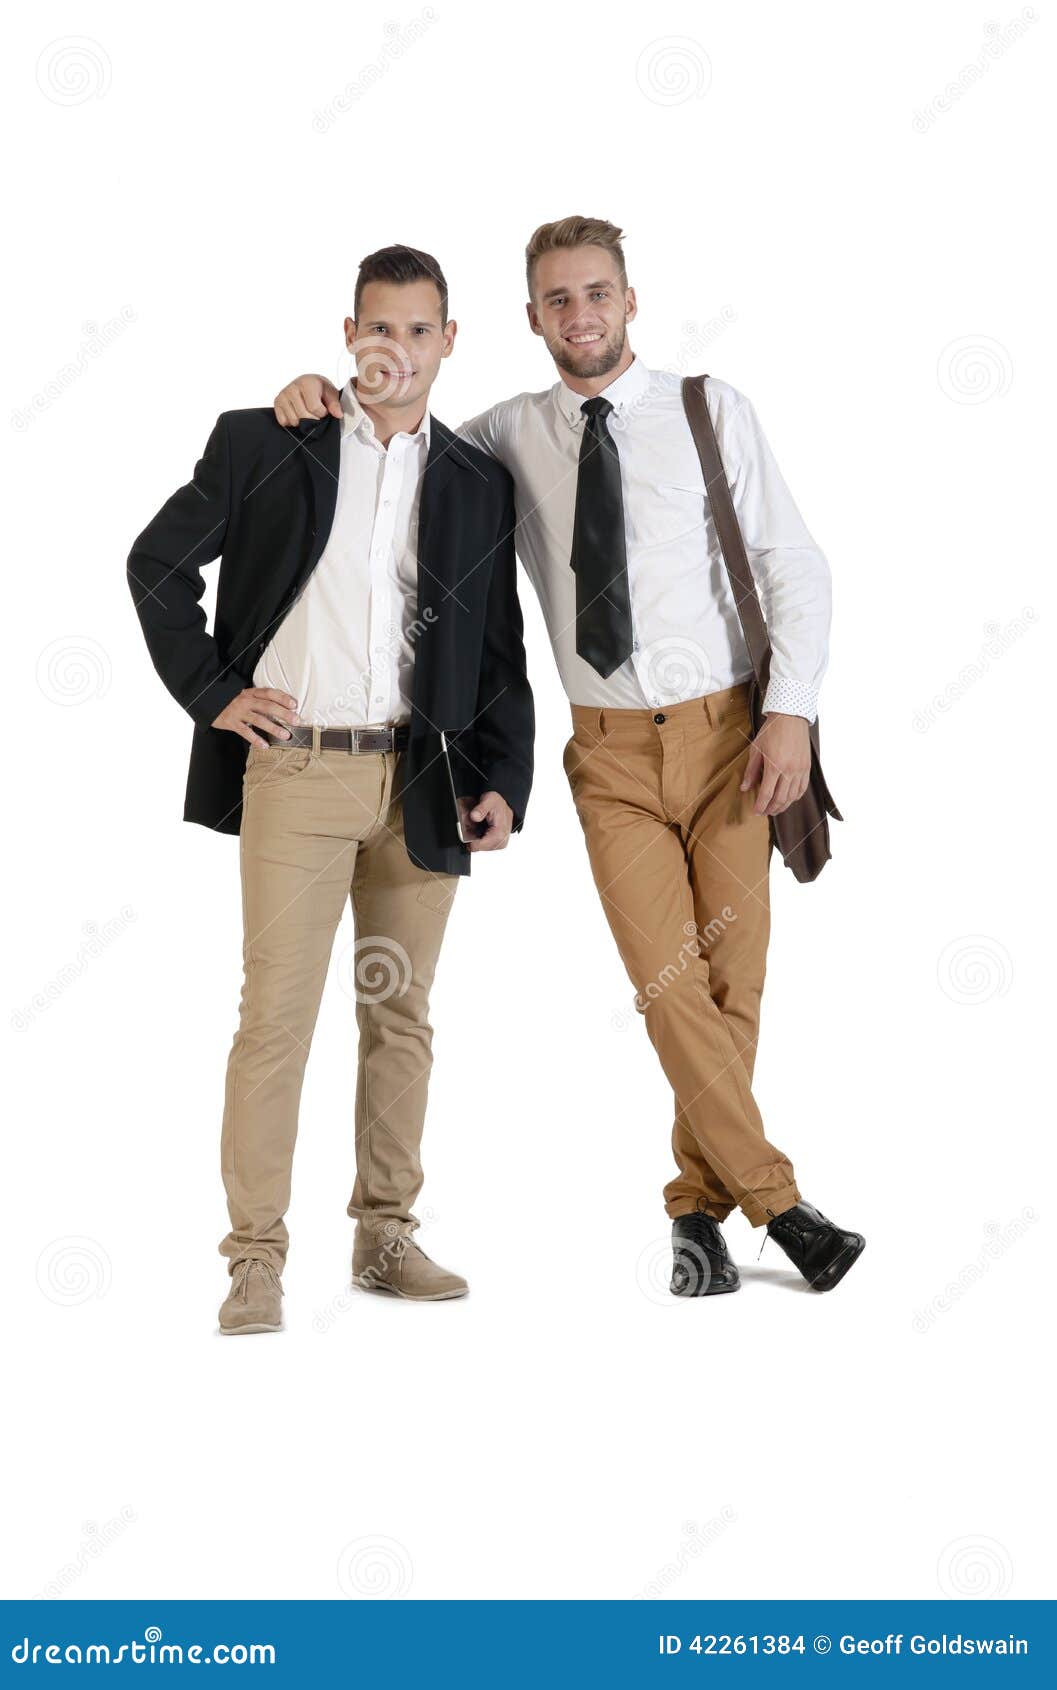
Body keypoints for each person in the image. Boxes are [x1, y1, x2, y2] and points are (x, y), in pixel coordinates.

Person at [271, 216, 863, 1298]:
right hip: (610, 755)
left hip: (735, 732)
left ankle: (696, 1209)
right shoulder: (505, 437)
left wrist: (795, 712)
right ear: (530, 317)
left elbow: (794, 564)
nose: (579, 315)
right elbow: (402, 433)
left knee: (732, 982)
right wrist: (321, 391)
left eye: (597, 293)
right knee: (667, 979)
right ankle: (779, 1202)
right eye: (557, 299)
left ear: (630, 300)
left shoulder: (709, 409)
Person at [128, 244, 534, 1333]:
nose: (394, 347)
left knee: (401, 1018)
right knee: (277, 1021)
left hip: (423, 780)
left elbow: (500, 647)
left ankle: (385, 1234)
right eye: (377, 327)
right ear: (347, 332)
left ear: (450, 339)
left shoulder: (474, 478)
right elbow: (157, 565)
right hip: (298, 771)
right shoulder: (269, 441)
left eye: (417, 329)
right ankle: (255, 1257)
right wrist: (214, 690)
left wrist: (505, 777)